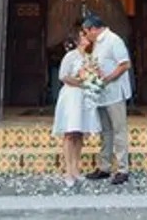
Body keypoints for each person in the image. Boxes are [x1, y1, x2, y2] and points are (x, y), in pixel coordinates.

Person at [81, 14, 132, 185]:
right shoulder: (97, 44)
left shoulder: (113, 40)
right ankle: (104, 167)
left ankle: (123, 169)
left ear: (93, 29)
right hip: (102, 94)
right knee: (106, 132)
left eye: (86, 32)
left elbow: (125, 64)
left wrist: (108, 78)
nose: (86, 35)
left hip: (115, 93)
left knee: (119, 130)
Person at [53, 29, 100, 188]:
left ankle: (76, 168)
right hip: (71, 96)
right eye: (83, 35)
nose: (87, 37)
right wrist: (81, 82)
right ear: (78, 40)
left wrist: (92, 80)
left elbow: (93, 75)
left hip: (83, 98)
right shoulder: (70, 56)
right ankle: (68, 170)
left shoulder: (88, 57)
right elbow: (63, 76)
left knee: (79, 133)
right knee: (69, 133)